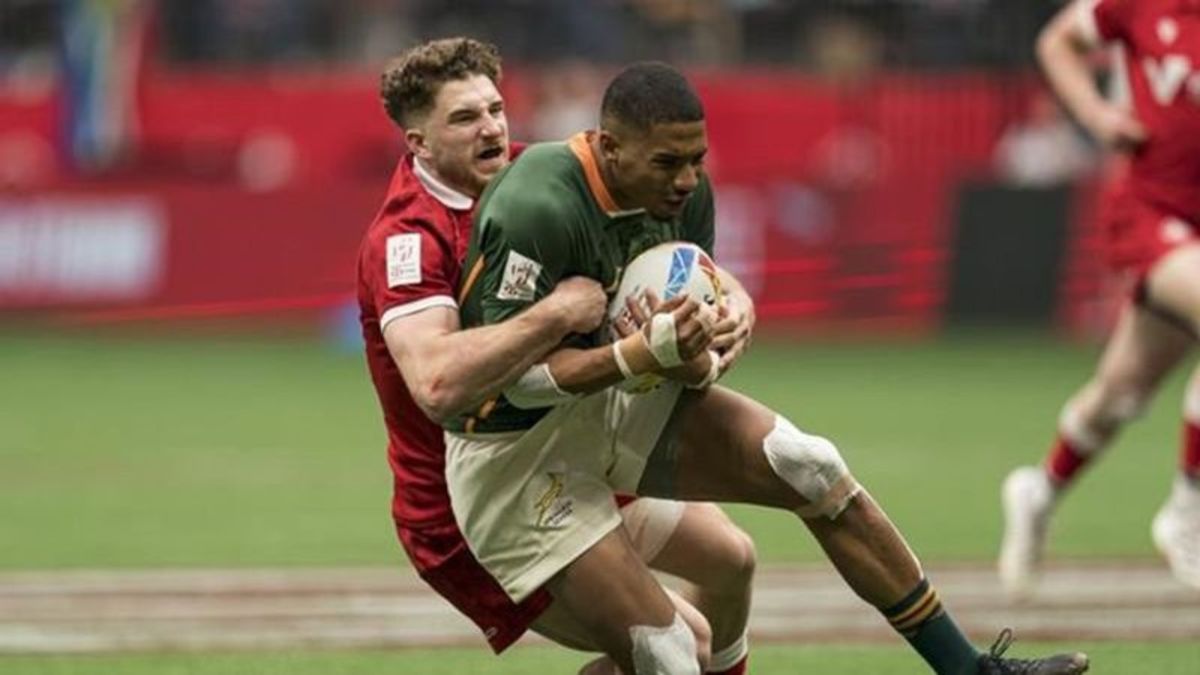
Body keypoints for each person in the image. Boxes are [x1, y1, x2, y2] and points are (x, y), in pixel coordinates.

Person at [446, 60, 1091, 675]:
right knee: (669, 656)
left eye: (696, 159)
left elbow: (682, 362)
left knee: (809, 465)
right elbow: (509, 385)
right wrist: (637, 355)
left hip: (611, 403)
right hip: (512, 458)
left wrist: (705, 344)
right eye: (667, 162)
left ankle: (967, 667)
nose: (686, 180)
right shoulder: (537, 203)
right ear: (609, 148)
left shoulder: (683, 196)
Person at [356, 38, 755, 675]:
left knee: (732, 560)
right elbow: (436, 383)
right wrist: (557, 313)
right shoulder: (408, 239)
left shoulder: (537, 182)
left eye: (495, 109)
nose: (491, 128)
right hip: (474, 501)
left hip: (573, 448)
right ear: (419, 143)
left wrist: (732, 295)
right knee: (685, 648)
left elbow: (665, 247)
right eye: (464, 118)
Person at [999, 0, 1200, 599]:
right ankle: (1189, 509)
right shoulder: (1144, 5)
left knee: (1121, 390)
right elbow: (1057, 40)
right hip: (1154, 214)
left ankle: (1039, 490)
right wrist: (1095, 113)